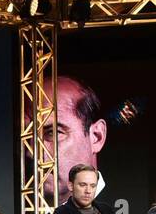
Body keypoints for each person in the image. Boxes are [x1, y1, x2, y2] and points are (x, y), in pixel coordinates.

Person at [43, 75, 109, 204]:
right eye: (24, 138)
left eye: (53, 132)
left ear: (96, 137)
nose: (30, 152)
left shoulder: (136, 210)